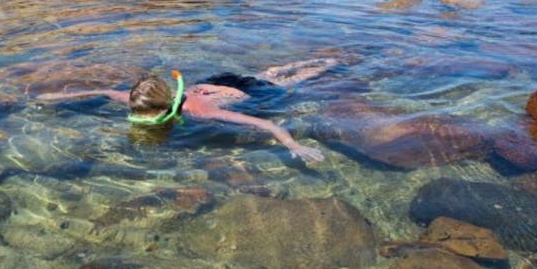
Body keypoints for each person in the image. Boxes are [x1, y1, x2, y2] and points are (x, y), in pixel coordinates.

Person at [38, 69, 325, 165]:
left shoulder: (200, 111)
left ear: (165, 108)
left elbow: (264, 123)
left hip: (248, 93)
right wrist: (56, 98)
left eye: (147, 115)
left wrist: (294, 146)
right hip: (213, 81)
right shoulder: (140, 99)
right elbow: (103, 90)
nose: (142, 118)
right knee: (272, 70)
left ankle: (331, 64)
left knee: (289, 80)